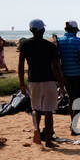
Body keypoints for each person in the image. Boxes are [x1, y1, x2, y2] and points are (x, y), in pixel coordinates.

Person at [17, 19, 67, 148]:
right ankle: (49, 141)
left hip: (33, 81)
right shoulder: (50, 46)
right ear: (43, 30)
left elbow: (21, 66)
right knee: (49, 112)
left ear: (30, 30)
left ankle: (36, 132)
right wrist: (61, 85)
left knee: (36, 109)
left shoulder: (25, 45)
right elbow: (56, 67)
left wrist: (22, 83)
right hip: (49, 81)